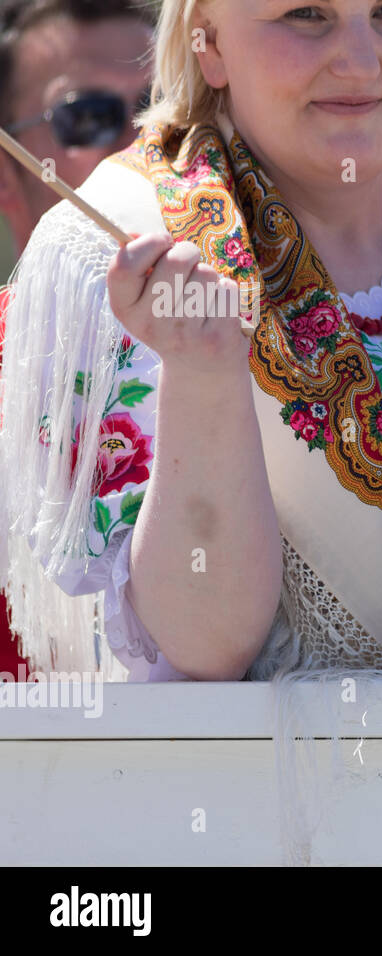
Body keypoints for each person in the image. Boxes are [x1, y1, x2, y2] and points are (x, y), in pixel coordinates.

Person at [0, 0, 382, 681]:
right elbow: (204, 644)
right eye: (305, 14)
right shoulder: (107, 251)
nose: (359, 58)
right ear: (208, 44)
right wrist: (203, 378)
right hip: (267, 782)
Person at [0, 0, 155, 678]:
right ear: (7, 178)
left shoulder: (284, 337)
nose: (138, 144)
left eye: (160, 107)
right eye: (88, 116)